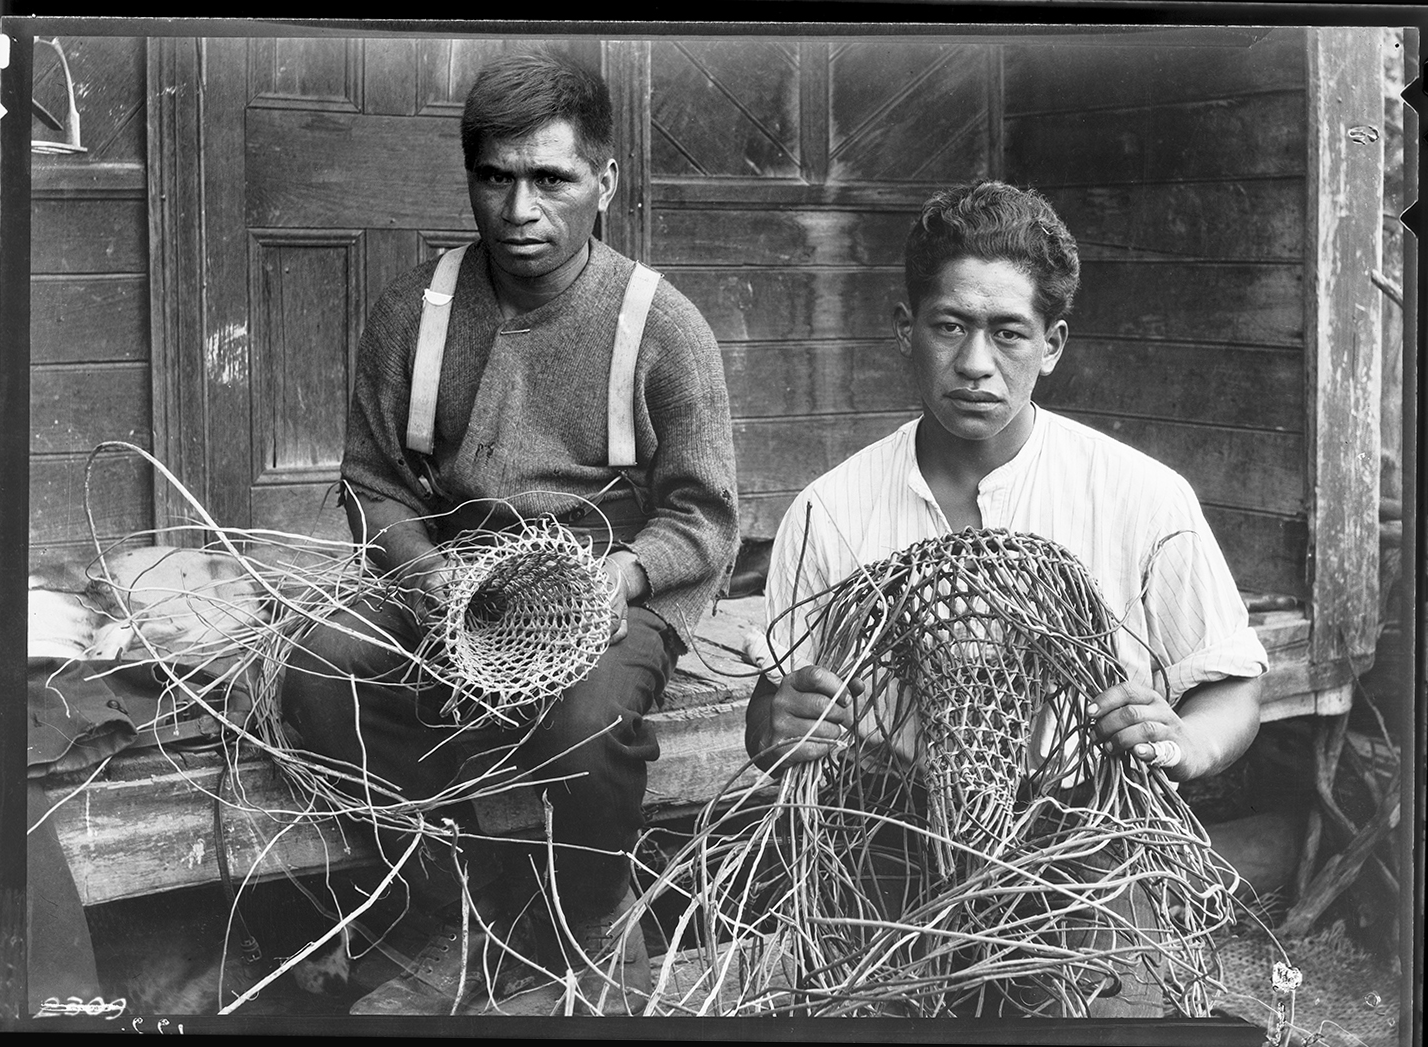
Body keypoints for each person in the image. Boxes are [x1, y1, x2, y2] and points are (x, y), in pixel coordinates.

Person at [279, 49, 738, 1016]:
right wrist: (425, 573)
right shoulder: (415, 311)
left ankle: (588, 917)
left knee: (584, 723)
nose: (520, 210)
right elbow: (371, 486)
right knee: (322, 668)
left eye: (551, 179)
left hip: (605, 587)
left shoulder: (664, 327)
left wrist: (624, 574)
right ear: (472, 178)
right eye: (496, 177)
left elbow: (703, 517)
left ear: (604, 183)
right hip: (456, 580)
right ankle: (450, 906)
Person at [744, 179, 1268, 1017]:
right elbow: (772, 719)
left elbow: (1231, 684)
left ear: (1052, 343)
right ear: (903, 327)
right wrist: (782, 728)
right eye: (948, 325)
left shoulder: (1140, 496)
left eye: (1008, 333)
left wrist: (1187, 744)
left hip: (1080, 850)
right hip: (886, 848)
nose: (975, 363)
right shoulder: (829, 510)